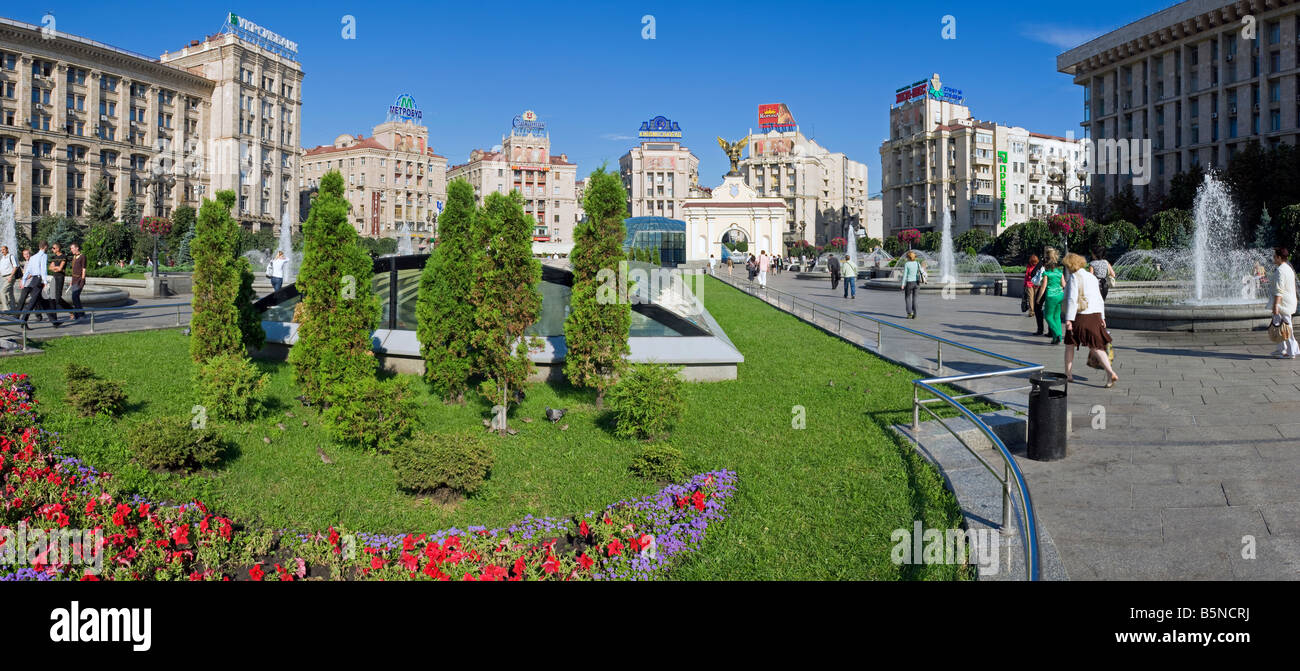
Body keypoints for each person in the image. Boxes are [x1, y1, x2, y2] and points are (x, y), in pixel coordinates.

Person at [1063, 252, 1118, 387]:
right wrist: (1102, 317)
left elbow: (1071, 299)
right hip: (1095, 315)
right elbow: (1099, 298)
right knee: (1096, 346)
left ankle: (1068, 374)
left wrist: (1069, 319)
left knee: (1070, 345)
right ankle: (1110, 373)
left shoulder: (1075, 278)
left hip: (1080, 316)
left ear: (1070, 265)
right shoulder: (1092, 277)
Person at [20, 242, 59, 328]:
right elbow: (43, 269)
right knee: (32, 302)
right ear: (45, 247)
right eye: (47, 247)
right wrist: (45, 282)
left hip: (33, 280)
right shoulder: (43, 256)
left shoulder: (33, 257)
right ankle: (23, 321)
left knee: (44, 302)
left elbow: (28, 270)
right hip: (38, 280)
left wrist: (23, 281)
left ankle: (54, 322)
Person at [1270, 247, 1299, 359]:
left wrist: (1276, 305)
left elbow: (1279, 290)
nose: (1273, 258)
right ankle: (1281, 349)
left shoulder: (1281, 270)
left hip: (1283, 304)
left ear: (1279, 257)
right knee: (1279, 325)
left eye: (1274, 256)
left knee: (1286, 327)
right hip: (1287, 302)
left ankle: (1291, 352)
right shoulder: (1287, 268)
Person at [48, 243, 71, 318]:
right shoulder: (54, 257)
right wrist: (56, 268)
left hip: (60, 278)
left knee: (58, 298)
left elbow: (60, 268)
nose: (52, 249)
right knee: (52, 297)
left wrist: (55, 268)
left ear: (58, 249)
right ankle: (54, 317)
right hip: (54, 277)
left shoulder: (64, 256)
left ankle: (71, 310)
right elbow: (50, 267)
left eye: (53, 248)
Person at [1024, 254, 1043, 335]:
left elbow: (1027, 275)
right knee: (1035, 298)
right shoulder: (1038, 266)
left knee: (1031, 298)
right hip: (1036, 284)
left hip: (1029, 283)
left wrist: (1025, 284)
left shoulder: (1029, 266)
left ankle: (1032, 311)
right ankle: (1033, 310)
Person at [901, 250, 922, 318]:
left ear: (908, 257)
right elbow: (921, 271)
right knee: (915, 298)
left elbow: (905, 275)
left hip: (909, 282)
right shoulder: (917, 263)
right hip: (917, 283)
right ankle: (915, 313)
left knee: (907, 298)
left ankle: (910, 313)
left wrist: (902, 284)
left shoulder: (907, 264)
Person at [68, 242, 86, 321]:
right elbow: (73, 270)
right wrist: (71, 281)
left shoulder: (82, 257)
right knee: (75, 298)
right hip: (74, 280)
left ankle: (80, 314)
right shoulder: (74, 257)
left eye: (72, 248)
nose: (71, 250)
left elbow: (83, 269)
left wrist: (82, 280)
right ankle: (79, 314)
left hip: (79, 280)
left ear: (77, 248)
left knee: (75, 296)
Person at [0, 245, 16, 313]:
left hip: (9, 276)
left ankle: (5, 308)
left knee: (2, 291)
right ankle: (13, 309)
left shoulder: (11, 256)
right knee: (10, 293)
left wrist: (11, 276)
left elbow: (15, 267)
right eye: (1, 250)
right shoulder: (2, 258)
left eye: (3, 249)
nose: (2, 251)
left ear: (7, 249)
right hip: (4, 277)